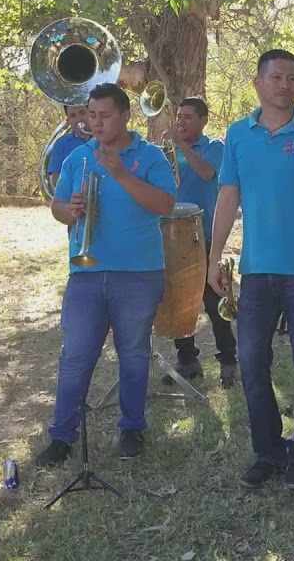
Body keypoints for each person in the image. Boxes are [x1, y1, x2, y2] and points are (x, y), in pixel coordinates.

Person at [207, 49, 294, 493]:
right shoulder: (238, 135)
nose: (286, 85)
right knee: (250, 361)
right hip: (256, 270)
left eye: (292, 78)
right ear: (258, 83)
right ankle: (268, 451)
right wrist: (214, 258)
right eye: (277, 77)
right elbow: (227, 198)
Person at [34, 83, 177, 465]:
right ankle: (61, 436)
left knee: (132, 354)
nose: (94, 123)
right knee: (76, 356)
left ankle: (131, 428)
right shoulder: (77, 158)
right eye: (91, 115)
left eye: (104, 116)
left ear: (126, 115)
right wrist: (70, 210)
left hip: (139, 272)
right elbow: (57, 206)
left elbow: (165, 205)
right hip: (86, 272)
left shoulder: (150, 156)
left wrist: (122, 175)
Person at [161, 96, 238, 388]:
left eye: (188, 117)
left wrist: (181, 145)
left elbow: (207, 173)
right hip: (171, 234)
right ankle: (187, 359)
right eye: (179, 116)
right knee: (179, 301)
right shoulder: (168, 151)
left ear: (204, 121)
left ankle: (228, 359)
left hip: (204, 235)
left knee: (213, 299)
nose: (180, 122)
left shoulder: (215, 148)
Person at [46, 104, 92, 188]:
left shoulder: (105, 138)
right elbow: (56, 178)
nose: (79, 119)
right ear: (68, 121)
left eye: (82, 112)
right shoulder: (61, 143)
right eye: (73, 116)